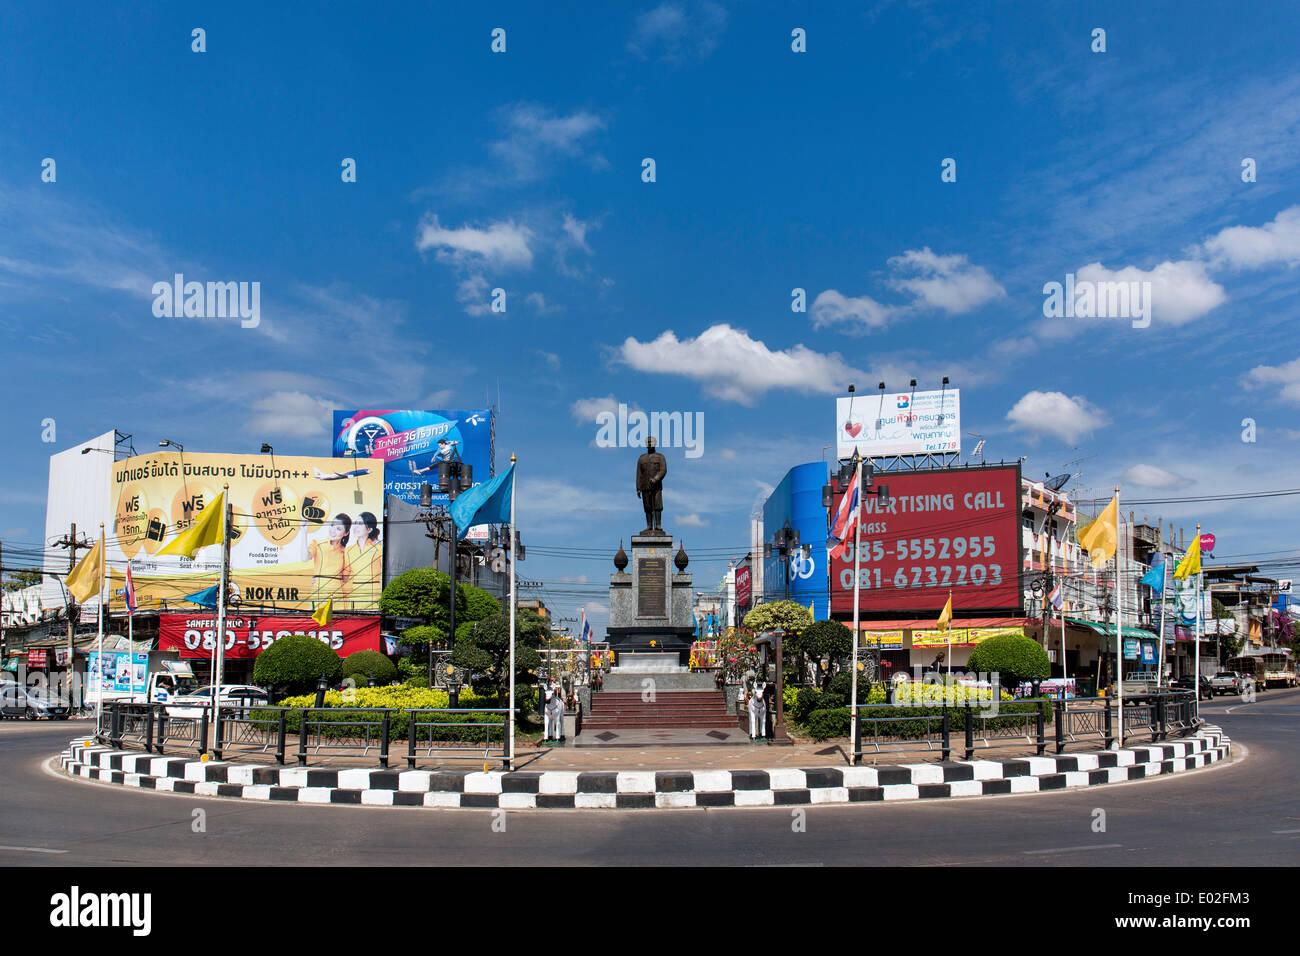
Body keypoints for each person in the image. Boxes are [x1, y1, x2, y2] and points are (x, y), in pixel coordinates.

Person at [308, 514, 353, 605]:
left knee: (337, 619)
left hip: (337, 596)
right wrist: (303, 532)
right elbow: (305, 557)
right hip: (318, 594)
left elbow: (345, 578)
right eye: (332, 526)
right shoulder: (318, 544)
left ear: (346, 533)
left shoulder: (345, 552)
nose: (333, 531)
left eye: (338, 529)